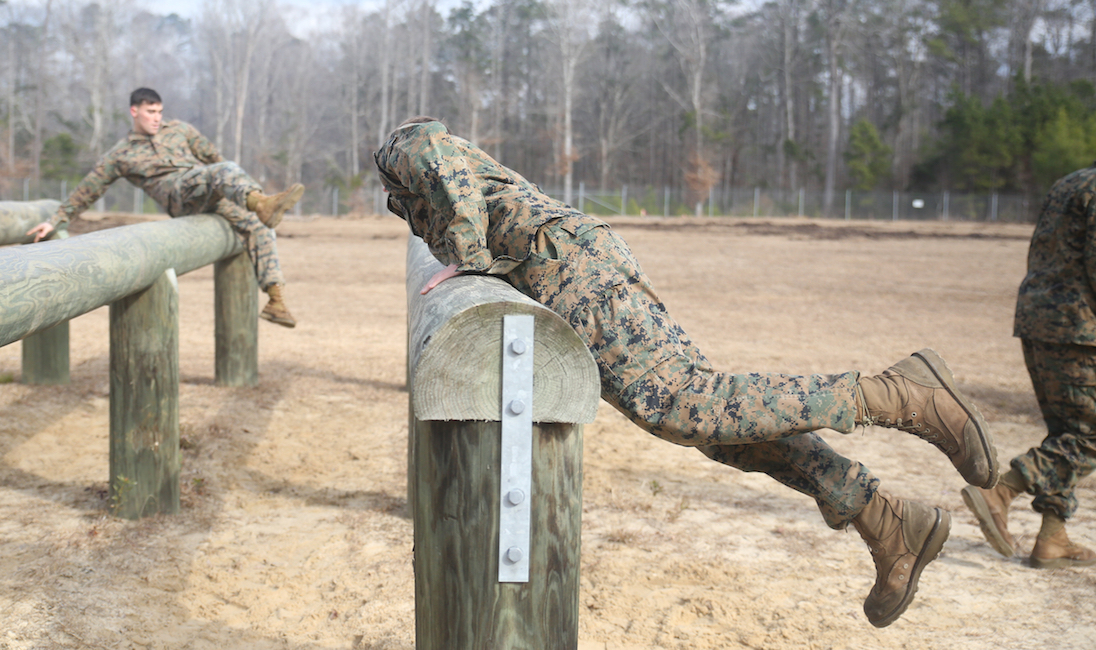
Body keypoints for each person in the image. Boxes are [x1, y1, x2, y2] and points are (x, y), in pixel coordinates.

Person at [375, 117, 1000, 628]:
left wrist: (469, 261)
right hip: (565, 264)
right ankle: (884, 517)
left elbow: (438, 158)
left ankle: (899, 394)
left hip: (564, 265)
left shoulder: (402, 141)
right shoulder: (403, 173)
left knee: (682, 403)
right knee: (708, 424)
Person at [27, 87, 304, 327]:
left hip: (210, 190)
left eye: (159, 111)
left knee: (257, 224)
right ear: (134, 111)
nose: (157, 117)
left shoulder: (180, 130)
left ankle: (275, 299)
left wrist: (234, 190)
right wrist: (56, 219)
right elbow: (88, 190)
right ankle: (262, 203)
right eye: (150, 111)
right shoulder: (120, 154)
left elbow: (214, 157)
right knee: (223, 171)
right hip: (179, 196)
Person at [960, 166, 1096, 569]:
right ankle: (1001, 490)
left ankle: (1052, 537)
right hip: (1079, 327)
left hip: (1040, 318)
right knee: (1089, 436)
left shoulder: (1071, 182)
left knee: (1067, 433)